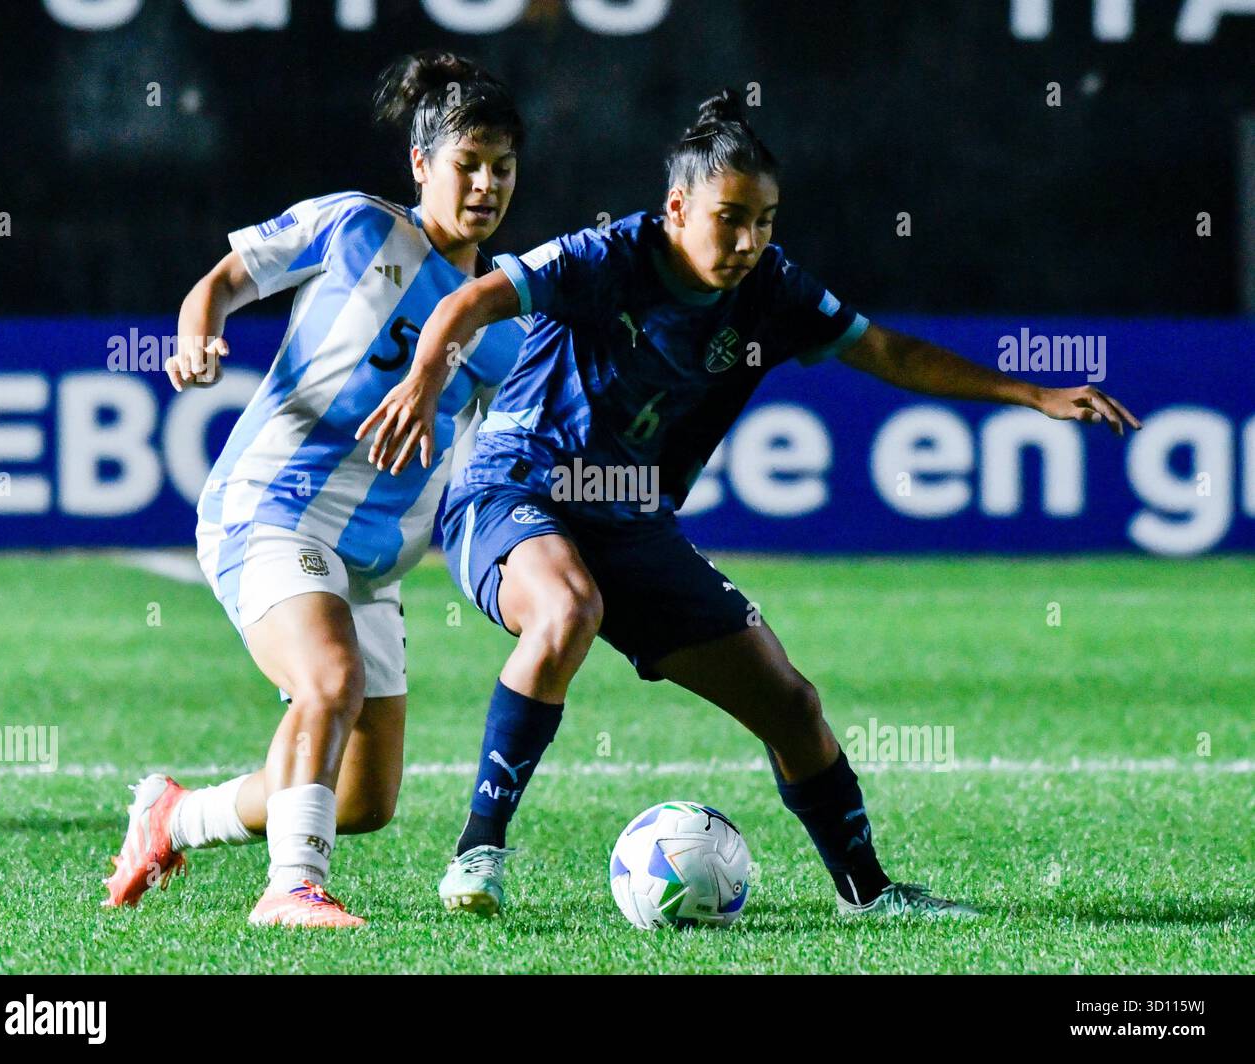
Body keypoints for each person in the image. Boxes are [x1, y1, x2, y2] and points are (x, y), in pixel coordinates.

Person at [357, 89, 1141, 920]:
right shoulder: (606, 255)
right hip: (512, 490)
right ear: (676, 208)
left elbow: (885, 351)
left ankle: (868, 893)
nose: (749, 241)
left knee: (792, 705)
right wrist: (424, 380)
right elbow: (467, 301)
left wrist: (1030, 395)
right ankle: (478, 853)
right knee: (566, 607)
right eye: (731, 219)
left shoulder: (774, 289)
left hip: (629, 521)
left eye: (765, 221)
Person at [102, 51, 528, 928]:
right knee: (326, 683)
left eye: (502, 167)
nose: (485, 184)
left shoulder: (502, 317)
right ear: (421, 166)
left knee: (365, 798)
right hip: (272, 508)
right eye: (467, 164)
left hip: (370, 562)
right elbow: (224, 281)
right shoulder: (356, 227)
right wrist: (197, 333)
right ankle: (290, 889)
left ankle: (174, 817)